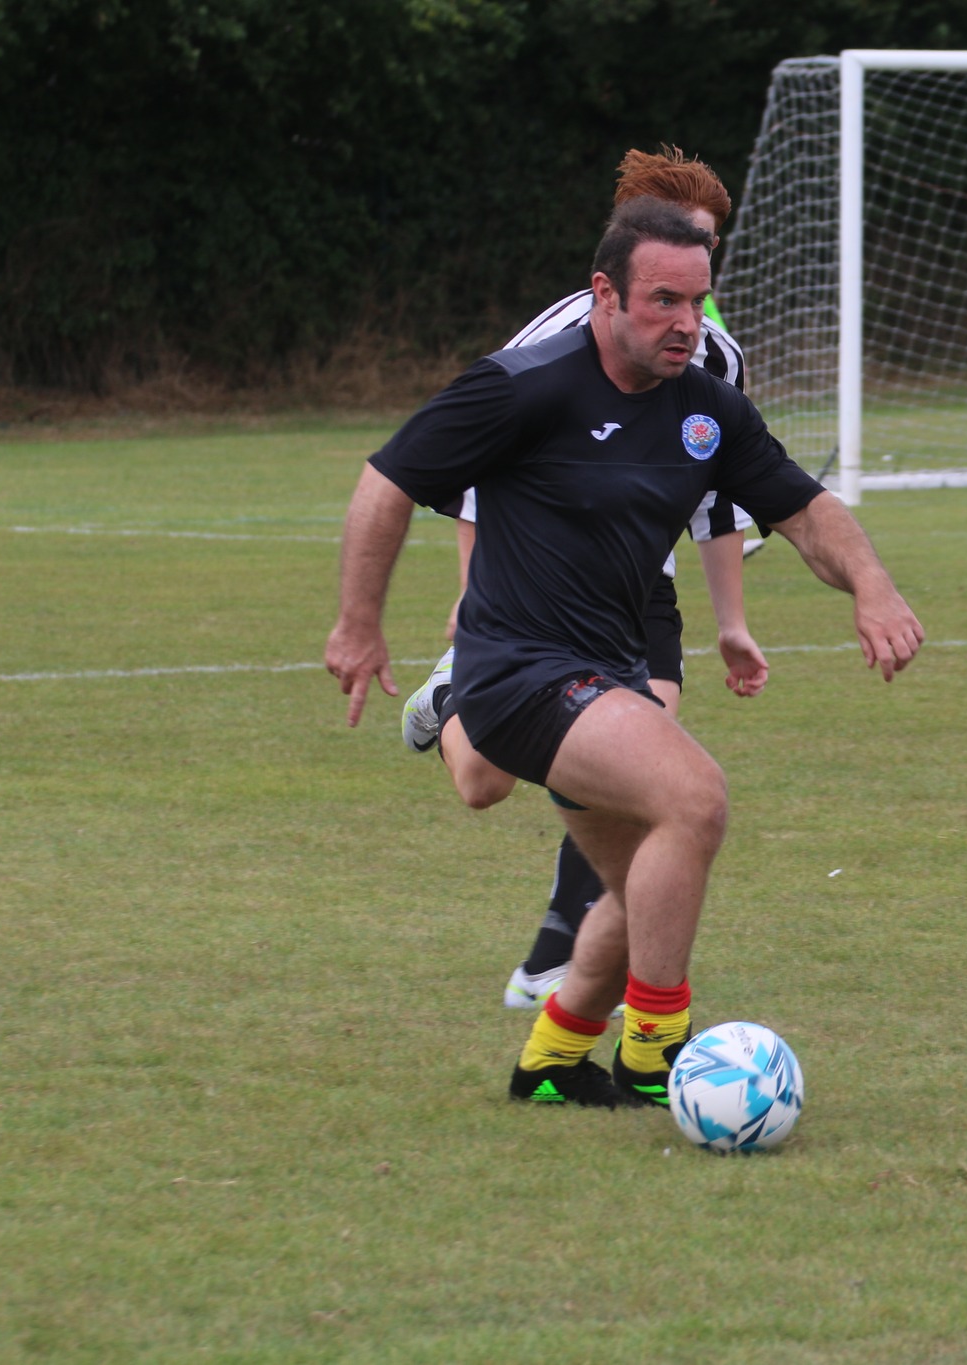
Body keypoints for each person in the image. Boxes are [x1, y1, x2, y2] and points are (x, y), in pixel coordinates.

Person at [325, 196, 924, 1107]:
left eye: (697, 302)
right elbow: (388, 480)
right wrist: (359, 623)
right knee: (696, 797)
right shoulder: (525, 384)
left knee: (637, 883)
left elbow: (806, 512)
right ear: (604, 294)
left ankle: (553, 1062)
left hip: (605, 668)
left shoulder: (708, 409)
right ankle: (656, 1050)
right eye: (662, 302)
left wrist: (873, 585)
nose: (686, 323)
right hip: (517, 670)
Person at [398, 147, 767, 1013]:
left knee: (656, 770)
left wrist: (733, 621)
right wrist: (472, 588)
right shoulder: (559, 339)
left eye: (706, 248)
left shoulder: (718, 358)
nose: (693, 268)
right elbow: (483, 463)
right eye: (678, 245)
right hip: (532, 588)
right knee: (481, 785)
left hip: (641, 586)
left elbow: (721, 497)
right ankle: (451, 700)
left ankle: (560, 958)